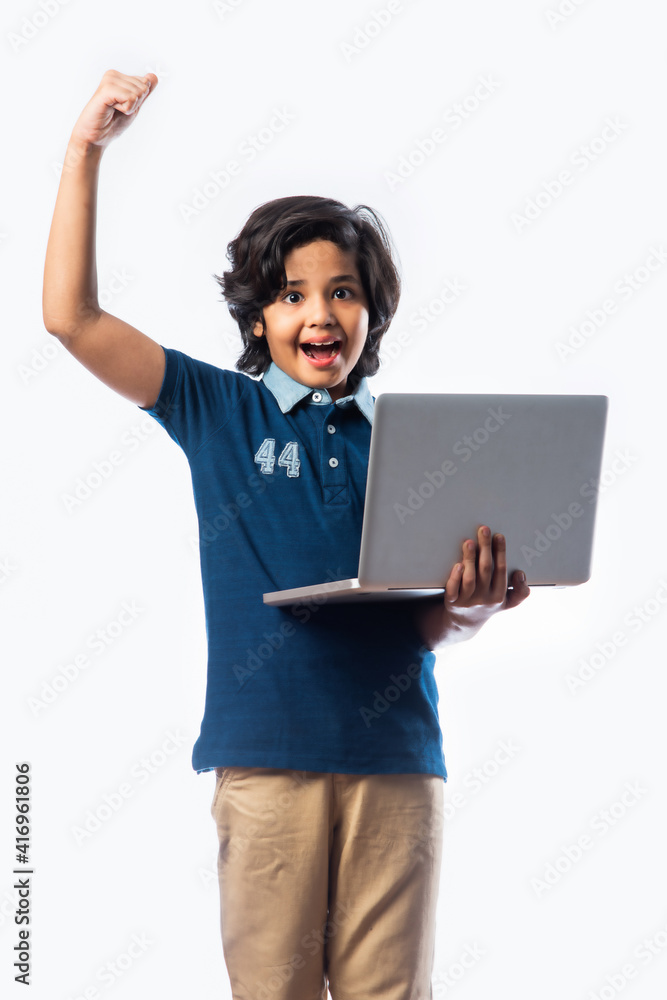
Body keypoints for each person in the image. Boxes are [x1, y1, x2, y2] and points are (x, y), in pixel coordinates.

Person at [42, 69, 531, 1000]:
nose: (318, 314)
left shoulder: (412, 446)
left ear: (370, 312)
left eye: (341, 292)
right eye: (292, 294)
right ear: (257, 315)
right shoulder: (215, 408)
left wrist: (471, 610)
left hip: (397, 766)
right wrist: (83, 153)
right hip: (267, 767)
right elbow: (73, 319)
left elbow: (420, 624)